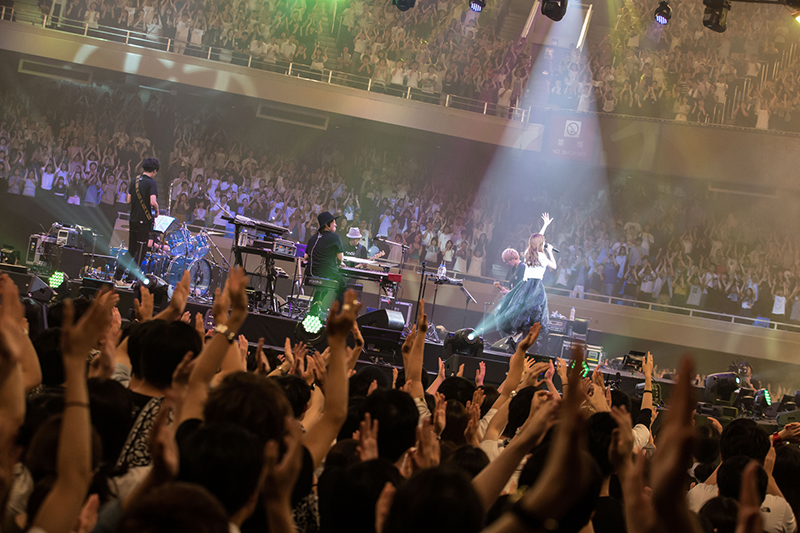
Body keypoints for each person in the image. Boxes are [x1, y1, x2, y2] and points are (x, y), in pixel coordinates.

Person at [117, 157, 159, 280]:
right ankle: (130, 278)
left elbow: (128, 200)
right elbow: (153, 202)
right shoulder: (152, 183)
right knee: (141, 252)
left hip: (133, 219)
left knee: (131, 250)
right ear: (155, 170)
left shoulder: (134, 180)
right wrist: (156, 210)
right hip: (144, 221)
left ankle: (118, 274)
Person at [304, 211, 344, 311]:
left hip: (311, 274)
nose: (336, 224)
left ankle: (315, 309)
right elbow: (340, 258)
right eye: (334, 222)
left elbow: (305, 257)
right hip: (327, 274)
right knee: (344, 290)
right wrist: (340, 263)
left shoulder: (313, 238)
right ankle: (339, 317)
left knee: (322, 289)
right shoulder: (335, 237)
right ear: (327, 225)